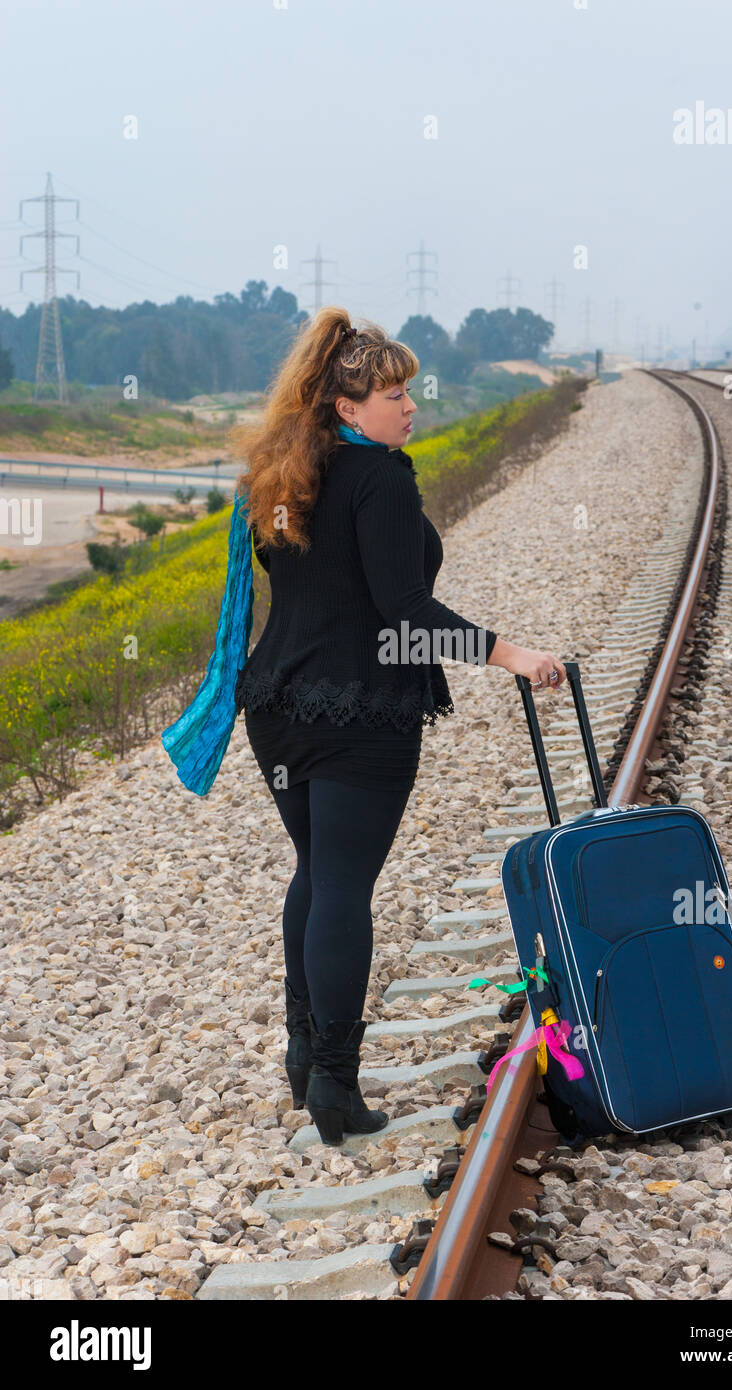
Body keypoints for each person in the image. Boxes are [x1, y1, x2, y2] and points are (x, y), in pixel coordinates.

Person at [230, 306, 567, 1146]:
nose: (408, 406)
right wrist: (511, 654)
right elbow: (404, 610)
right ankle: (337, 1091)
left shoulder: (285, 474)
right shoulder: (380, 477)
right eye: (391, 393)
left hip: (277, 707)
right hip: (360, 709)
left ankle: (307, 1054)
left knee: (317, 872)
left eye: (408, 391)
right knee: (342, 883)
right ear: (348, 407)